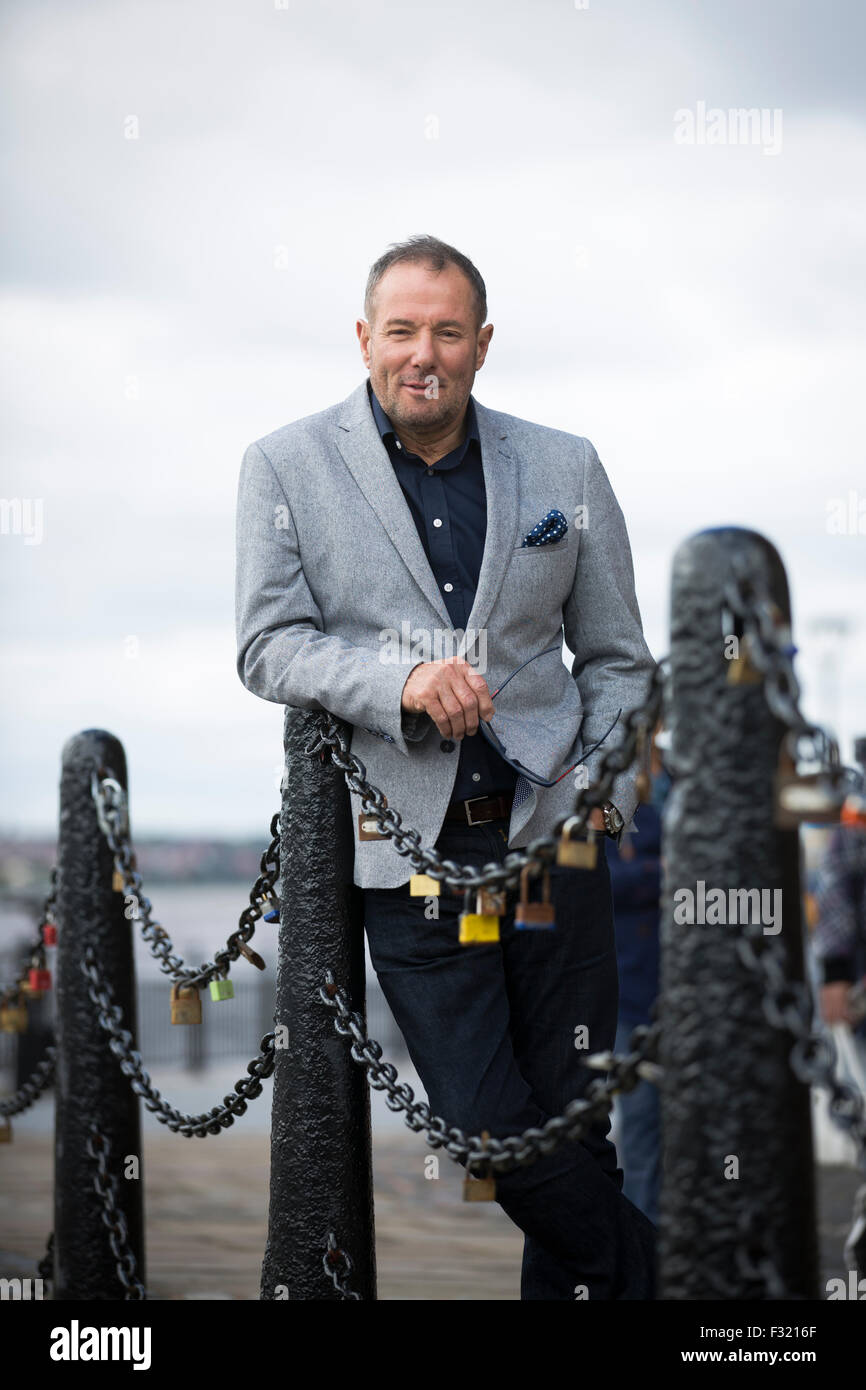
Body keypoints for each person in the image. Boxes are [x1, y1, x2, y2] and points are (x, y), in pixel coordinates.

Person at [235, 234, 657, 1299]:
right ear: (364, 337)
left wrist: (600, 783)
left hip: (552, 841)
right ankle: (692, 1284)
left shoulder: (564, 466)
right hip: (404, 854)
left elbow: (616, 661)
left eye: (448, 330)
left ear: (481, 343)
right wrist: (401, 684)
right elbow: (266, 644)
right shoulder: (284, 464)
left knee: (572, 1119)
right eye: (402, 329)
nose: (422, 353)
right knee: (486, 1124)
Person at [607, 724, 670, 1227]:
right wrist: (668, 874)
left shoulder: (681, 783)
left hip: (684, 988)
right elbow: (599, 877)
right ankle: (645, 1242)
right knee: (642, 1123)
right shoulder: (607, 794)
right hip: (632, 986)